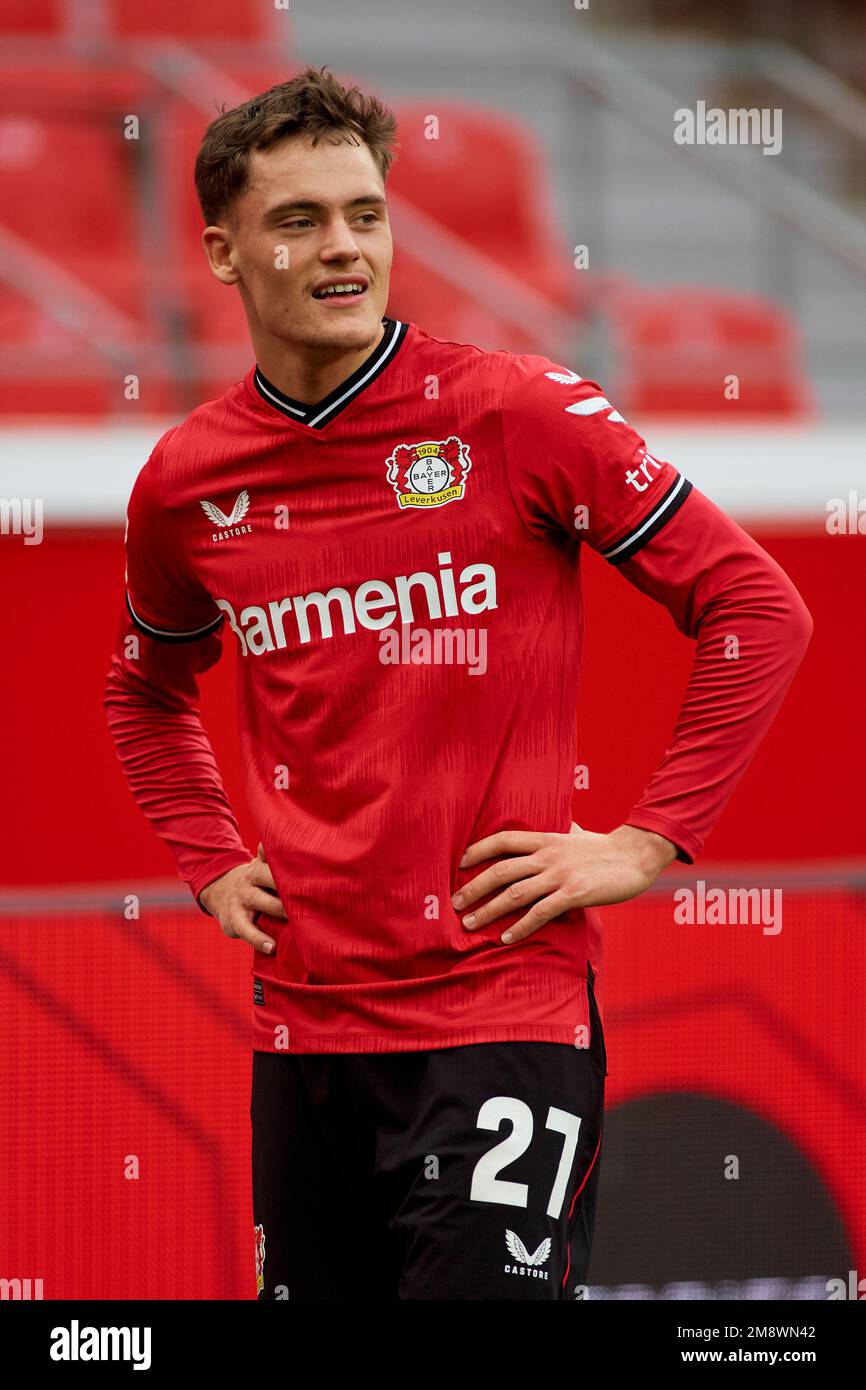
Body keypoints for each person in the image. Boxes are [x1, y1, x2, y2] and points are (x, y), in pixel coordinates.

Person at [103, 66, 813, 1301]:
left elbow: (757, 608)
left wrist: (647, 842)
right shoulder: (183, 483)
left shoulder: (514, 414)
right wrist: (209, 858)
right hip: (304, 1027)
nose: (344, 248)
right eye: (299, 220)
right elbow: (143, 693)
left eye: (364, 215)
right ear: (220, 252)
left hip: (500, 1012)